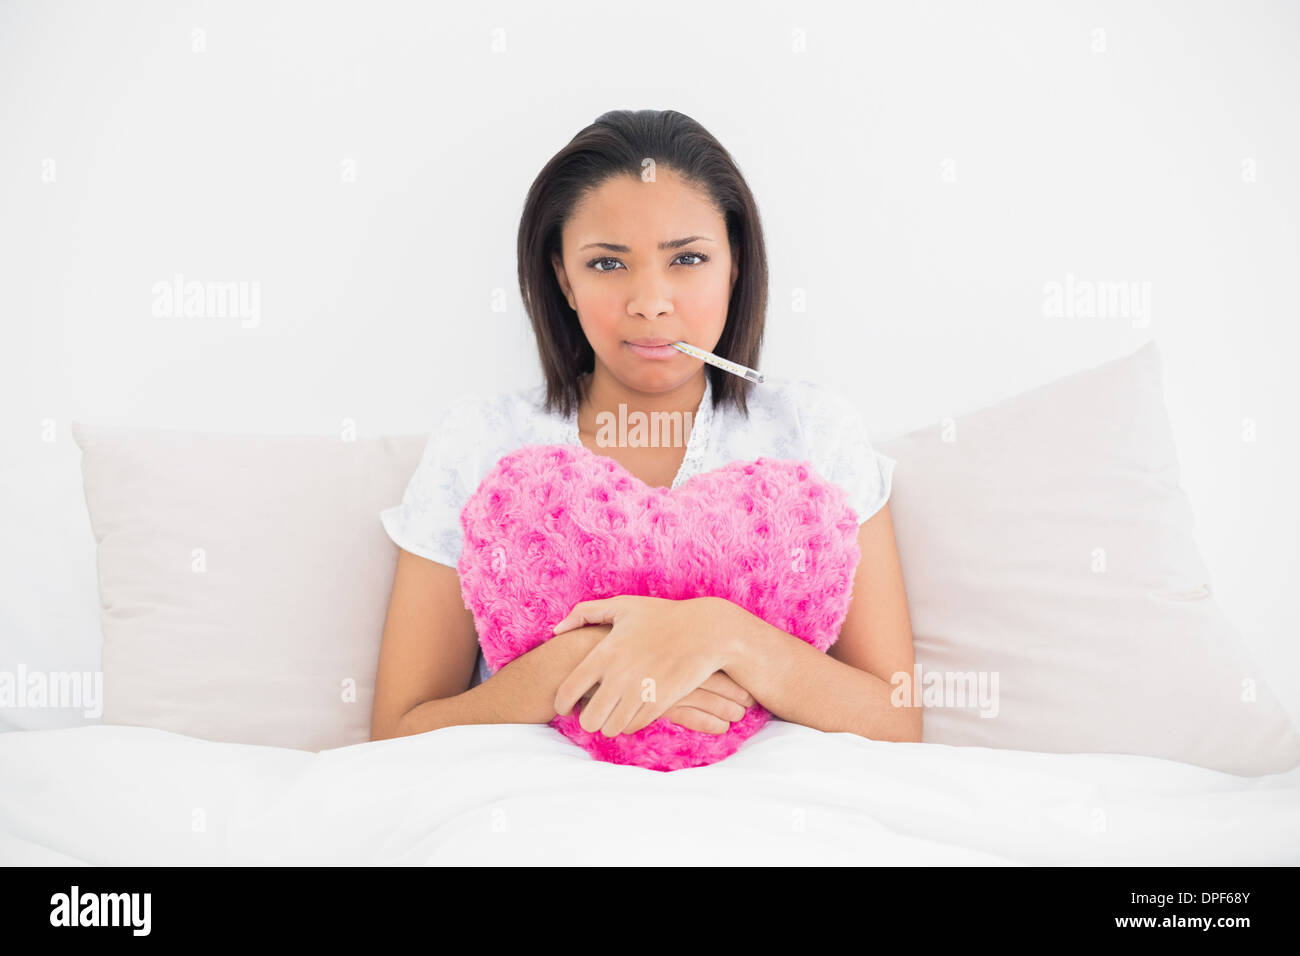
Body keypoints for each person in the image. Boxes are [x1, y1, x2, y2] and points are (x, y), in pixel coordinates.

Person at [371, 109, 920, 745]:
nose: (650, 301)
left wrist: (721, 636)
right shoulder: (480, 442)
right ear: (562, 278)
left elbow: (896, 722)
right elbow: (396, 735)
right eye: (608, 264)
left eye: (686, 258)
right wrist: (579, 666)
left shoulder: (812, 432)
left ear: (734, 265)